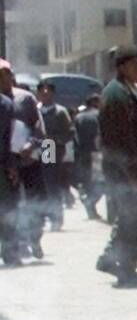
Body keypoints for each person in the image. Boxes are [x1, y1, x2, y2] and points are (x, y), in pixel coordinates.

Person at [95, 45, 137, 286]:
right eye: (133, 64)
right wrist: (132, 172)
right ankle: (126, 268)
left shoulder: (132, 90)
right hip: (123, 169)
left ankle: (111, 258)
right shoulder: (116, 94)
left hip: (134, 166)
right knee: (133, 217)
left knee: (130, 216)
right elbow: (119, 140)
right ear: (121, 67)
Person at [0, 60, 48, 261]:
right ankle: (13, 248)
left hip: (27, 161)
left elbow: (40, 130)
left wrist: (33, 146)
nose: (4, 79)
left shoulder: (25, 99)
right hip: (5, 163)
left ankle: (34, 239)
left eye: (6, 74)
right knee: (9, 207)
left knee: (36, 202)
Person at [35, 80, 74, 232]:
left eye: (48, 92)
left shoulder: (60, 112)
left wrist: (54, 140)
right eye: (42, 92)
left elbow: (69, 132)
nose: (45, 95)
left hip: (50, 148)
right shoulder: (35, 109)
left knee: (51, 186)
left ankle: (56, 218)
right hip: (34, 150)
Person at [73, 94, 103, 220]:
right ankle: (90, 202)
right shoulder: (99, 115)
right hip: (96, 154)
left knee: (87, 182)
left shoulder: (78, 117)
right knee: (99, 182)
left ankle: (90, 207)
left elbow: (74, 137)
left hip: (81, 153)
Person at [0, 83, 18, 265]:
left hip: (45, 157)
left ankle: (34, 239)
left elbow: (44, 134)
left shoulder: (26, 101)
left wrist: (48, 162)